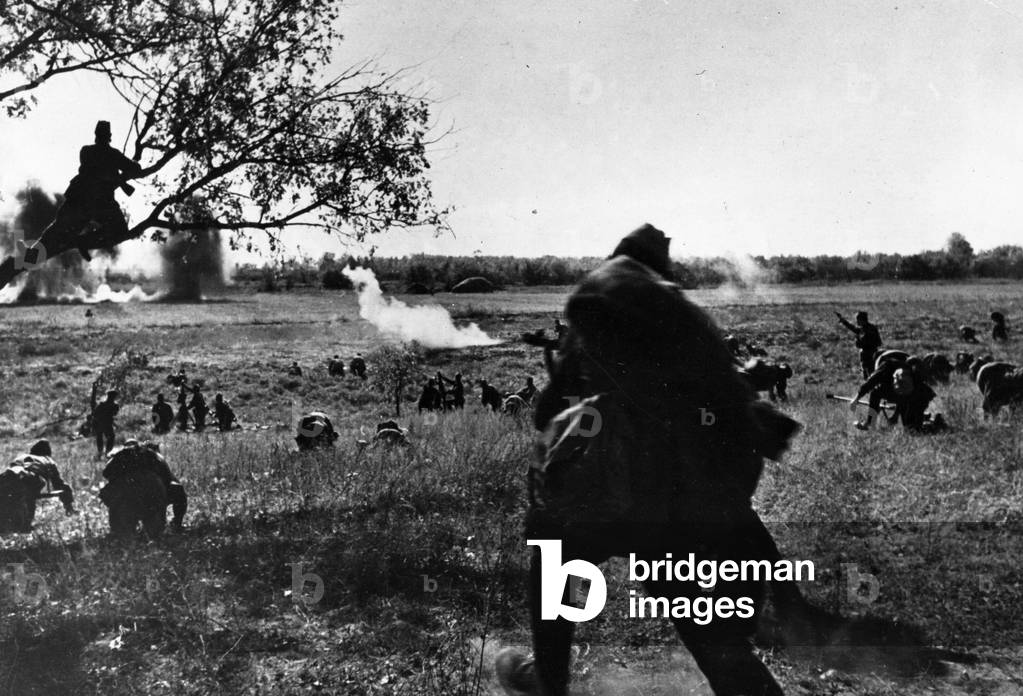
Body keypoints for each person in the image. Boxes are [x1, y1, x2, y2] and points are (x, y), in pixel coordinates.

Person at [497, 224, 808, 696]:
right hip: (673, 492)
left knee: (556, 559)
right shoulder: (681, 317)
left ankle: (549, 677)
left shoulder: (597, 299)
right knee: (689, 610)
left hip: (609, 484)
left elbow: (546, 411)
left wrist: (563, 373)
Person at [48, 121, 143, 261]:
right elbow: (135, 169)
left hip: (78, 197)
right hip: (100, 201)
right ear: (109, 136)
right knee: (120, 230)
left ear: (96, 135)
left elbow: (94, 167)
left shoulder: (86, 151)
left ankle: (21, 260)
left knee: (56, 230)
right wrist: (121, 171)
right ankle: (84, 241)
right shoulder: (113, 155)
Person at [836, 310, 883, 379]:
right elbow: (854, 329)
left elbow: (870, 342)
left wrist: (860, 343)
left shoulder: (868, 330)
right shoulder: (866, 328)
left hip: (869, 355)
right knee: (868, 374)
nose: (857, 322)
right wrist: (844, 321)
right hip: (868, 354)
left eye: (858, 320)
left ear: (862, 320)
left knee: (870, 375)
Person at [91, 389, 119, 458]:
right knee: (107, 437)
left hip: (105, 423)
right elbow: (95, 414)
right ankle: (104, 452)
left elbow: (95, 414)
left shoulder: (104, 404)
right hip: (103, 423)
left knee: (108, 437)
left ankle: (105, 452)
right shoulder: (111, 405)